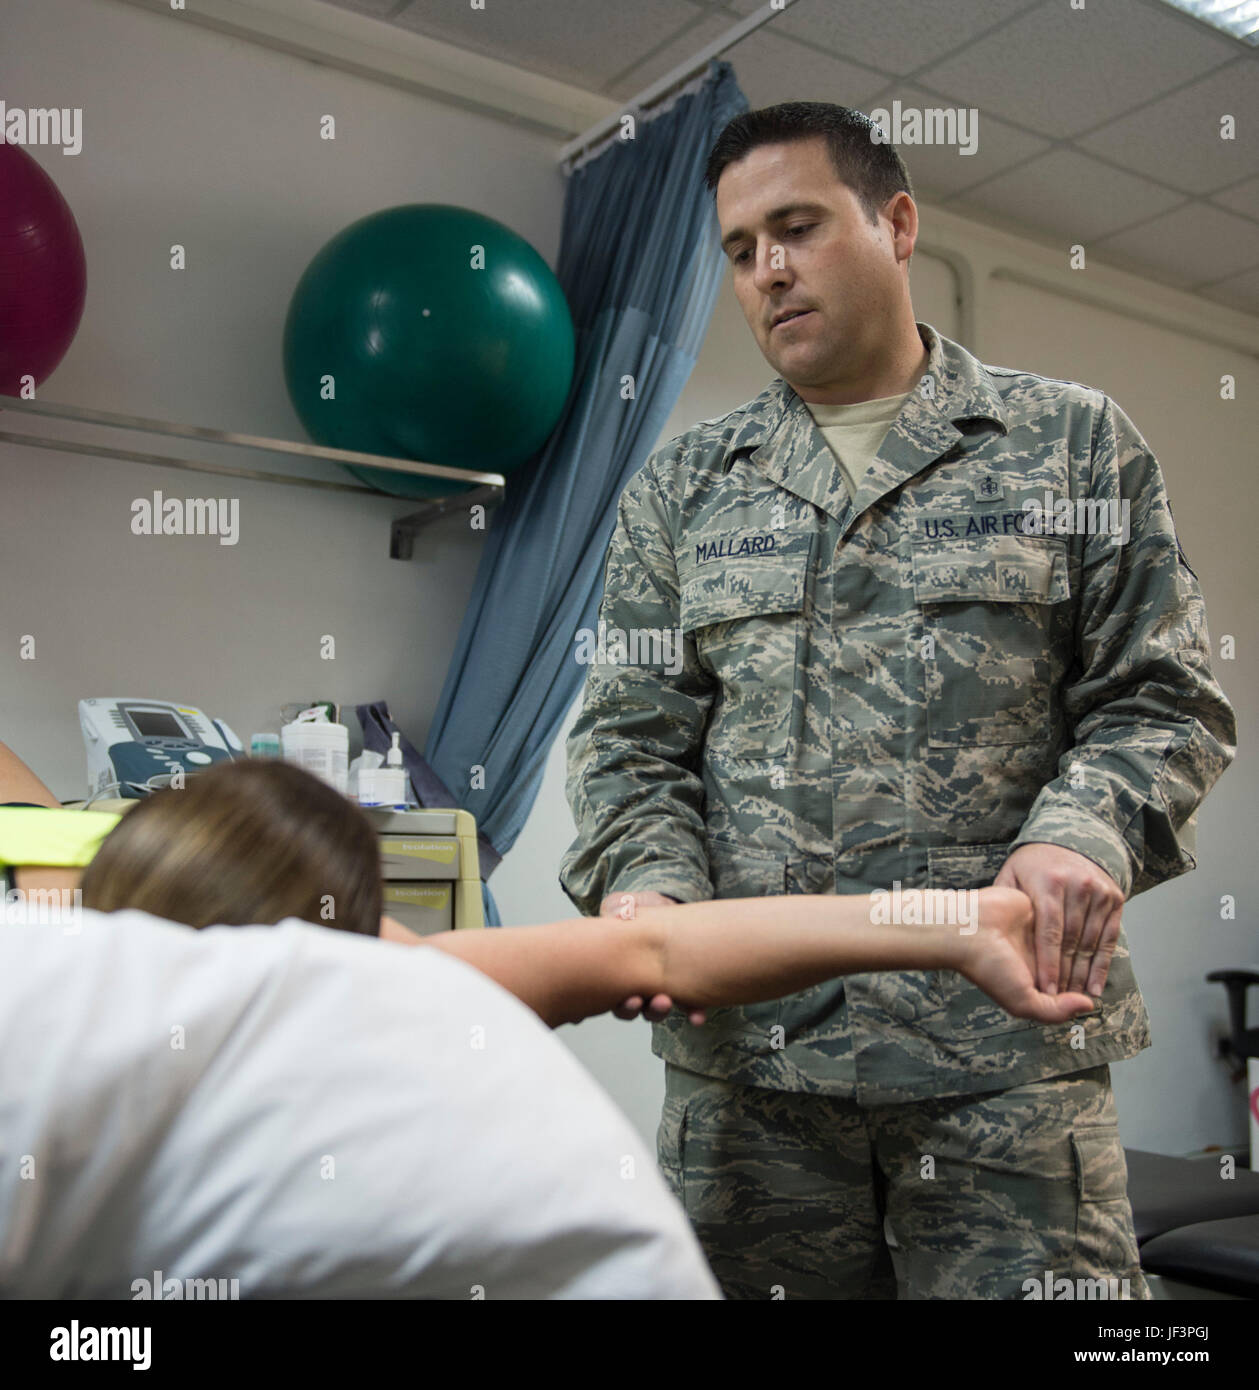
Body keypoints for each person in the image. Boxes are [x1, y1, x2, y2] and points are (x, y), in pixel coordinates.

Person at [559, 102, 1238, 1300]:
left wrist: (1075, 835)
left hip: (1001, 1070)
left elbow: (1162, 694)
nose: (767, 268)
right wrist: (644, 882)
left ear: (896, 223)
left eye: (797, 226)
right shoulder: (680, 488)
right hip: (751, 1076)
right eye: (737, 249)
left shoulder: (1070, 447)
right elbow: (628, 733)